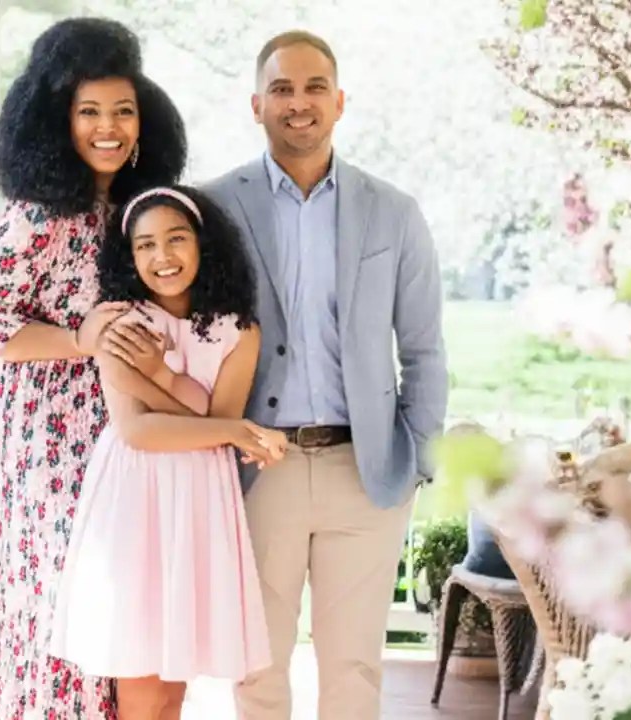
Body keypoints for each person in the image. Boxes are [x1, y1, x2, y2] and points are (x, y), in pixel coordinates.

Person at [202, 30, 450, 719]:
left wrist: (418, 462)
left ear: (339, 102)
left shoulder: (393, 213)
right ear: (257, 105)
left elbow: (424, 351)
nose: (298, 103)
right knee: (257, 668)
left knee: (354, 672)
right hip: (258, 468)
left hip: (364, 472)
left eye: (314, 88)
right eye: (281, 89)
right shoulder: (212, 208)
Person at [0, 18, 190, 720]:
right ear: (58, 119)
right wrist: (78, 338)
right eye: (89, 111)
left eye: (123, 111)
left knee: (126, 620)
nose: (108, 128)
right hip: (48, 449)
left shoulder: (138, 210)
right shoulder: (36, 215)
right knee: (66, 612)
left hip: (129, 435)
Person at [50, 185, 283, 720]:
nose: (163, 256)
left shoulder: (237, 330)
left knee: (174, 683)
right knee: (140, 676)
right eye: (145, 245)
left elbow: (219, 421)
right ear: (130, 256)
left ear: (203, 243)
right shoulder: (119, 321)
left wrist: (158, 375)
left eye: (176, 239)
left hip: (199, 501)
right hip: (137, 499)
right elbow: (137, 431)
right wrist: (227, 429)